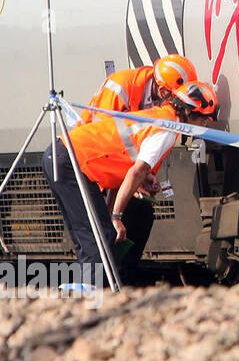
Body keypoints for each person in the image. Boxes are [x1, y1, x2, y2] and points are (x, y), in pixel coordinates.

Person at [44, 81, 219, 284]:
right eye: (205, 122)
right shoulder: (166, 129)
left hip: (67, 158)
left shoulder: (160, 116)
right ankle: (93, 303)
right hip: (70, 162)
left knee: (95, 237)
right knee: (98, 239)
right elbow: (136, 171)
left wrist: (138, 183)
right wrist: (117, 216)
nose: (204, 128)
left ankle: (94, 294)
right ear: (192, 114)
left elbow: (130, 163)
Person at [78, 53, 197, 126]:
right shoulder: (120, 87)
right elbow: (100, 130)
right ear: (162, 91)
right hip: (84, 154)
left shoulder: (163, 90)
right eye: (176, 97)